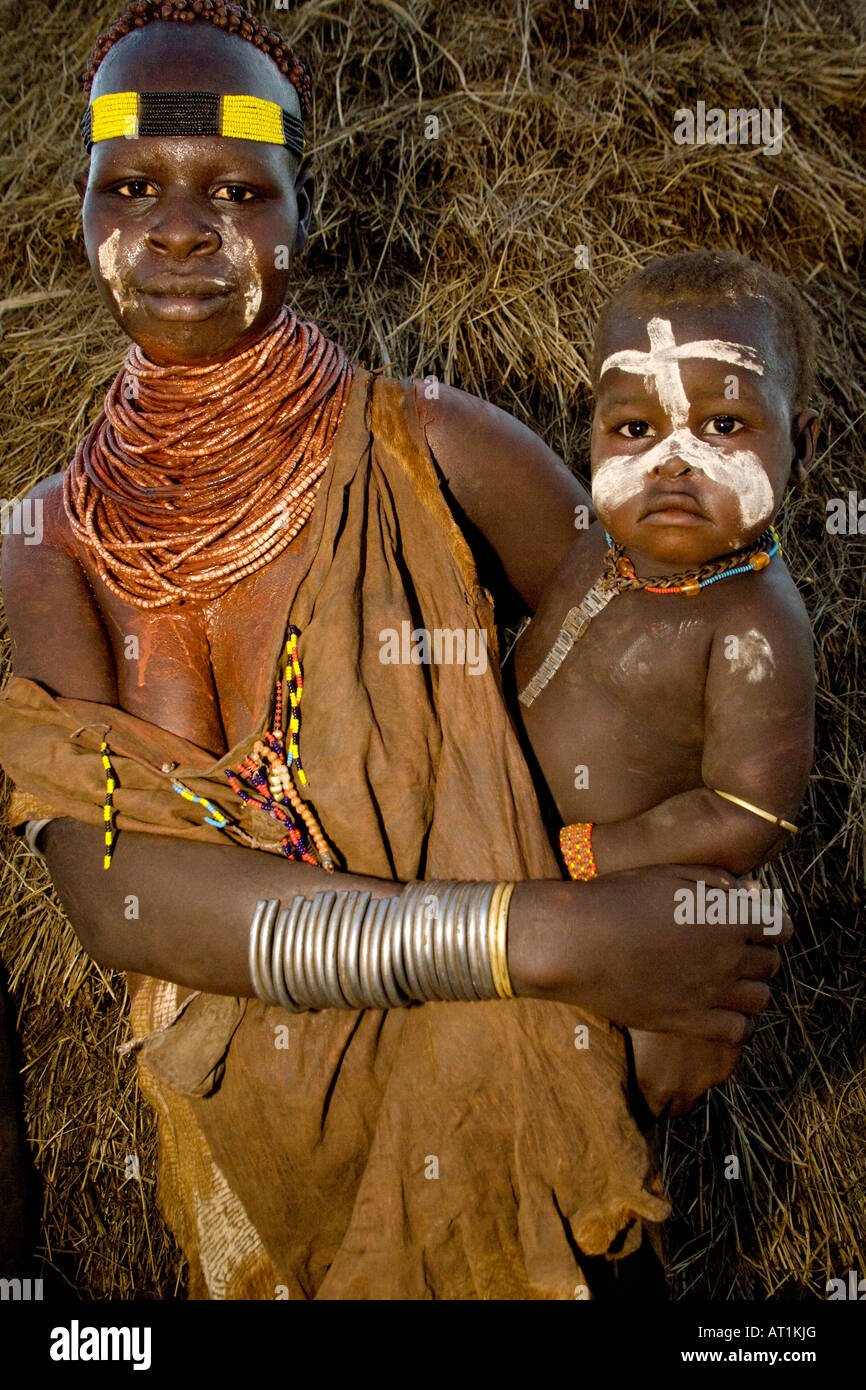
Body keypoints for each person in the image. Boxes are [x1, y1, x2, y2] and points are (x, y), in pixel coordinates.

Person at [0, 3, 789, 1299]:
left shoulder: (432, 446)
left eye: (236, 188)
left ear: (301, 217)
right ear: (81, 212)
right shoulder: (48, 538)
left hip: (512, 1089)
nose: (181, 225)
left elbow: (661, 639)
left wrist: (664, 935)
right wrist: (548, 935)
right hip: (259, 1144)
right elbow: (116, 893)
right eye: (130, 183)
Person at [513, 251, 816, 1116]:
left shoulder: (754, 625)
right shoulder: (597, 547)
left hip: (616, 887)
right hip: (518, 850)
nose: (672, 462)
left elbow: (748, 816)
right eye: (634, 429)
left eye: (722, 427)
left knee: (629, 1064)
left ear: (806, 442)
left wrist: (582, 860)